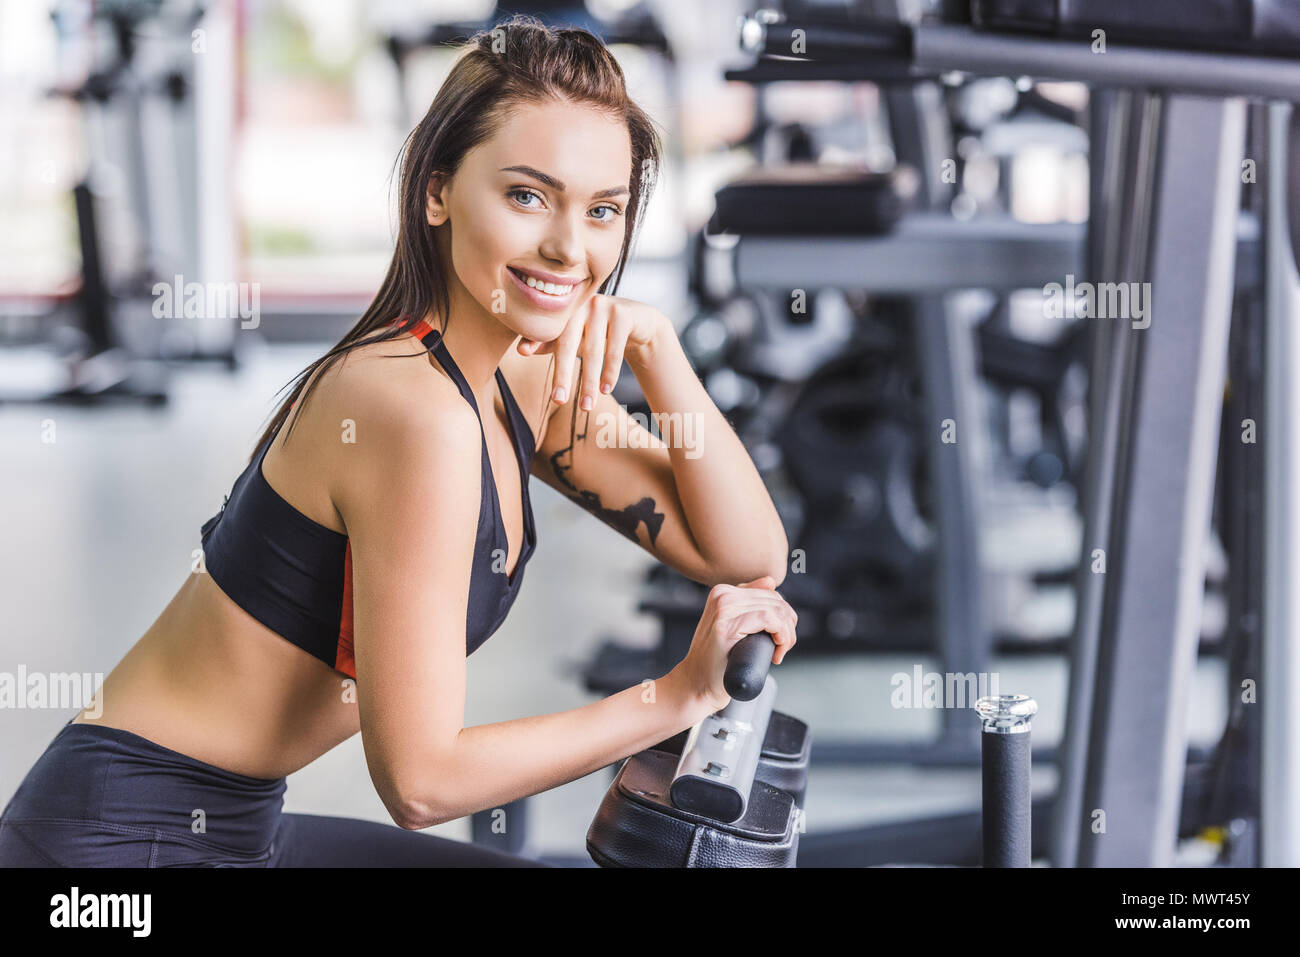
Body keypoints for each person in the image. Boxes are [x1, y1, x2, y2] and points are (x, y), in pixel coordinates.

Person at [0, 14, 796, 868]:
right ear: (438, 192)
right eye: (528, 195)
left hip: (241, 826)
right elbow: (421, 782)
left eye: (603, 210)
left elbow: (747, 554)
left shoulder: (520, 380)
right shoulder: (413, 412)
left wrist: (658, 348)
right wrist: (674, 694)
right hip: (109, 851)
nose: (570, 246)